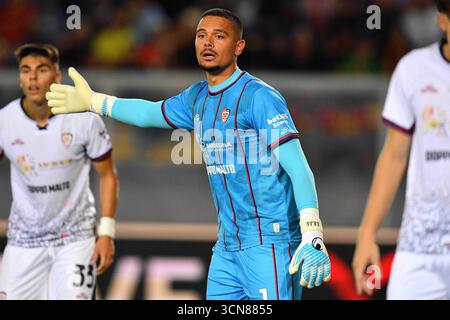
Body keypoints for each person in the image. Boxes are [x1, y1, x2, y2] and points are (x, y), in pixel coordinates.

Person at [46, 8, 330, 300]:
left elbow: (299, 168)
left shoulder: (259, 97)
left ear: (238, 47)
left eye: (219, 36)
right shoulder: (196, 97)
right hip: (227, 249)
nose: (207, 43)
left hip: (270, 243)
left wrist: (312, 232)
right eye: (201, 36)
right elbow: (149, 113)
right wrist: (95, 101)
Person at [0, 43, 119, 300]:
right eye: (25, 70)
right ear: (20, 77)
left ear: (56, 77)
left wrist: (106, 233)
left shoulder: (84, 120)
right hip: (24, 240)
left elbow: (108, 174)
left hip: (75, 238)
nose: (32, 77)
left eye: (41, 69)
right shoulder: (4, 122)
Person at [352, 0, 450, 300]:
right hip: (420, 248)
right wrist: (367, 234)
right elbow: (394, 157)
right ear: (443, 21)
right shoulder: (413, 69)